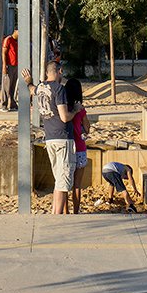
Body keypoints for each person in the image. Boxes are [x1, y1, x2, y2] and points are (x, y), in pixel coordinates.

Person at [35, 60, 75, 214]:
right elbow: (64, 117)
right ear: (60, 71)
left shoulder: (40, 88)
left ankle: (54, 211)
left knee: (59, 179)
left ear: (46, 73)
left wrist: (28, 81)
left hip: (50, 137)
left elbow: (32, 89)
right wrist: (76, 111)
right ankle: (56, 215)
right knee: (63, 182)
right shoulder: (59, 89)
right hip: (62, 138)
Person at [65, 76, 90, 214]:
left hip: (67, 147)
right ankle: (76, 211)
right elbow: (87, 128)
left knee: (64, 184)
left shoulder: (64, 108)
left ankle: (65, 211)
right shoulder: (80, 109)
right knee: (77, 184)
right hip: (79, 147)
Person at [1, 31, 21, 111]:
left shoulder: (18, 41)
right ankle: (4, 104)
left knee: (13, 85)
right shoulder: (8, 39)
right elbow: (4, 53)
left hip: (16, 65)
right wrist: (4, 65)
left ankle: (12, 103)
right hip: (9, 65)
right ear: (15, 31)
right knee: (6, 86)